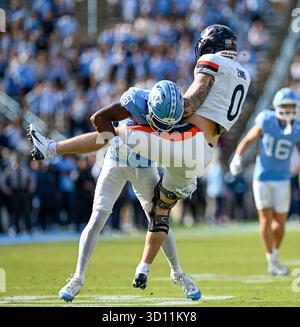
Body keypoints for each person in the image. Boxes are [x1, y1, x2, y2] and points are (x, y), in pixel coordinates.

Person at [29, 24, 251, 291]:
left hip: (184, 144)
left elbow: (190, 102)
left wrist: (169, 112)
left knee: (115, 134)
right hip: (201, 153)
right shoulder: (243, 74)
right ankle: (152, 270)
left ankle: (50, 148)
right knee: (160, 213)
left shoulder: (209, 63)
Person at [29, 80, 201, 302]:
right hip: (116, 163)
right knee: (98, 218)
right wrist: (115, 139)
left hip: (146, 168)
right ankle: (77, 279)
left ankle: (178, 273)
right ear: (150, 107)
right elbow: (98, 118)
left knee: (160, 219)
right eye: (158, 121)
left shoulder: (177, 110)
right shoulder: (136, 100)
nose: (160, 126)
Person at [230, 87, 300, 276]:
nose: (288, 109)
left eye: (291, 105)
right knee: (266, 220)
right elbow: (248, 139)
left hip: (283, 178)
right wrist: (238, 156)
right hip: (262, 177)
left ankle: (275, 255)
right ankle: (271, 259)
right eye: (284, 105)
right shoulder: (267, 120)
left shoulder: (297, 127)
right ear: (276, 106)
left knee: (280, 224)